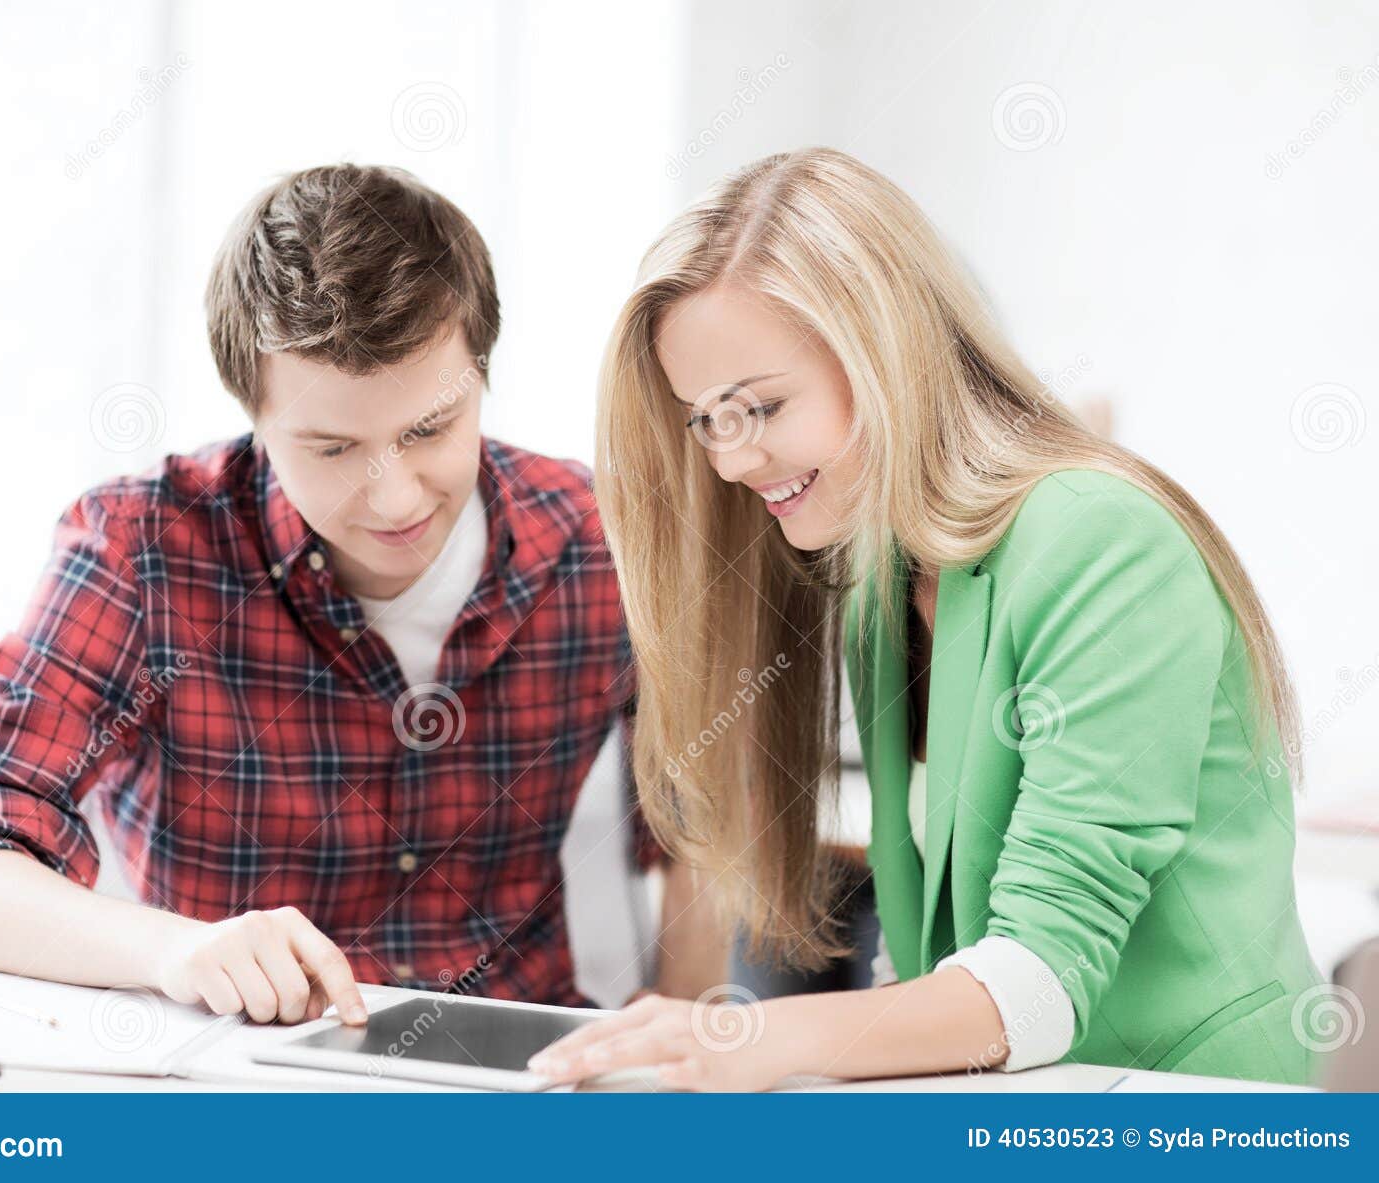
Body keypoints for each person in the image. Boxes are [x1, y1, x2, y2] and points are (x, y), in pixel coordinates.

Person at [0, 164, 721, 1026]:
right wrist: (174, 949)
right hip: (239, 1077)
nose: (397, 496)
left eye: (430, 429)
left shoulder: (604, 539)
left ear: (482, 372)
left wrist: (684, 1030)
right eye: (331, 449)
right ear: (250, 413)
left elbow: (710, 819)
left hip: (520, 1076)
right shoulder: (144, 550)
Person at [530, 147, 1322, 1089]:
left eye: (761, 407)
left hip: (1192, 1108)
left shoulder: (1101, 536)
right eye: (706, 419)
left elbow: (1037, 980)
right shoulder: (882, 571)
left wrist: (736, 1041)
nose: (732, 460)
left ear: (886, 349)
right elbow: (951, 953)